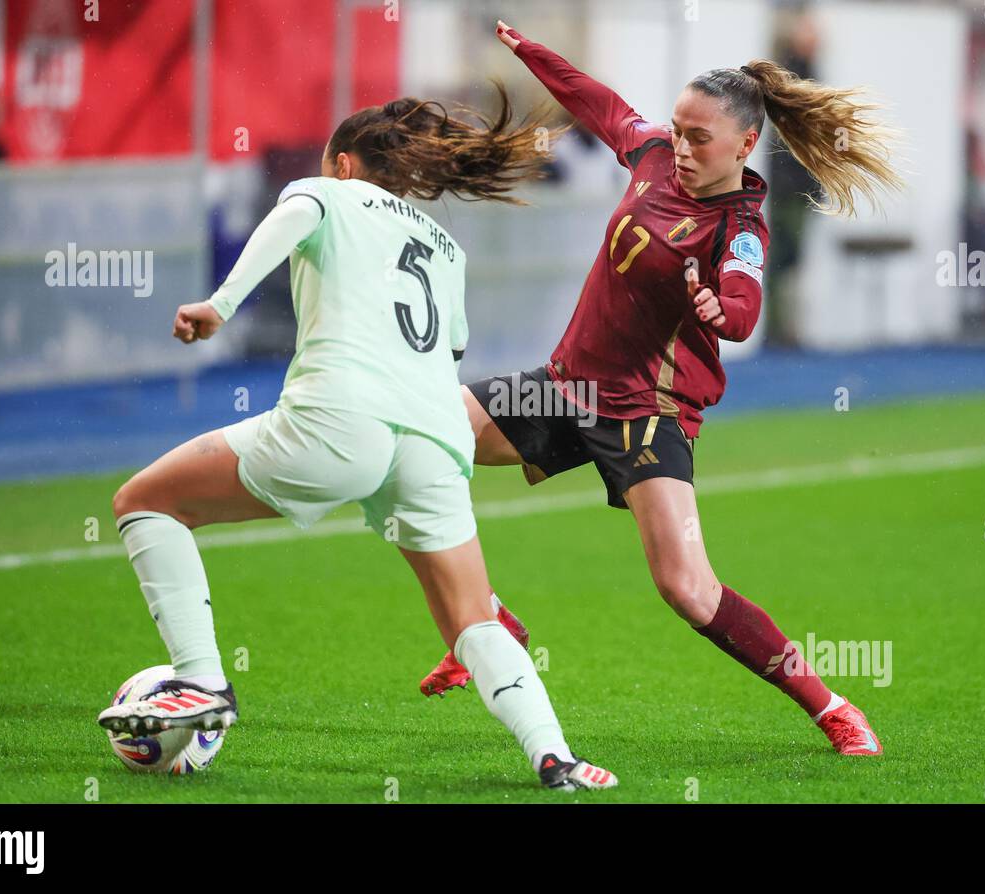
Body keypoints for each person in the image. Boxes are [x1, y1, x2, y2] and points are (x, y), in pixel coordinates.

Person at [97, 89, 617, 791]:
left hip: (340, 418)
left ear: (343, 163)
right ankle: (556, 757)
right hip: (435, 436)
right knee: (475, 616)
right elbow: (450, 356)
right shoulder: (445, 249)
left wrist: (218, 307)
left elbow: (285, 227)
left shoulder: (323, 194)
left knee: (145, 502)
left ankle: (204, 682)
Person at [421, 22, 903, 758]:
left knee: (688, 590)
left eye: (698, 137)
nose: (680, 145)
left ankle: (830, 705)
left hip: (647, 415)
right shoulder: (651, 157)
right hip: (563, 387)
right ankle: (487, 621)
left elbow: (743, 304)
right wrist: (530, 52)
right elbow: (601, 104)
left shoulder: (738, 226)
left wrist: (723, 310)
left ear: (744, 146)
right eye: (677, 129)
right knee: (427, 440)